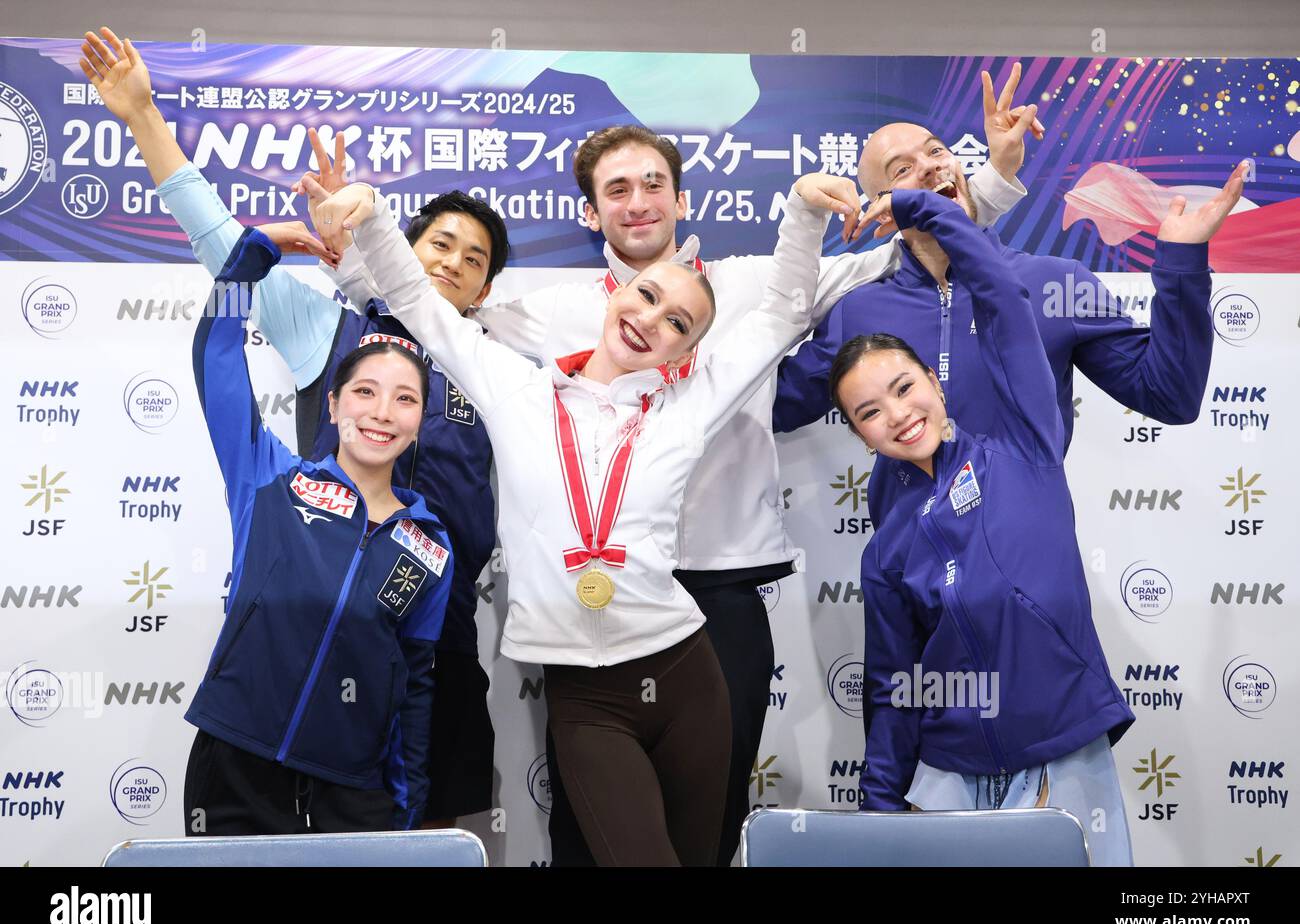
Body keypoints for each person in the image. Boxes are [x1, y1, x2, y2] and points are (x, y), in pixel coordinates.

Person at [315, 76, 1038, 862]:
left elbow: (887, 266)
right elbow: (430, 309)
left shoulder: (739, 311)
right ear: (591, 212)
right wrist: (362, 230)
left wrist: (983, 186)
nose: (638, 203)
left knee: (705, 834)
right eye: (616, 189)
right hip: (587, 631)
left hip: (714, 596)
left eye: (654, 184)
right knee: (587, 835)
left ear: (682, 201)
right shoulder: (537, 337)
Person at [303, 165, 845, 865]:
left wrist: (803, 214)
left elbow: (781, 317)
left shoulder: (688, 408)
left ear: (687, 353)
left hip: (685, 673)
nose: (651, 319)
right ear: (618, 291)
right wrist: (372, 214)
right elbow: (416, 298)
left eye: (677, 322)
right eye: (647, 295)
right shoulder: (515, 389)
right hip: (585, 693)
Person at [80, 26, 500, 829]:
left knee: (432, 839)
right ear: (401, 253)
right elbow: (220, 260)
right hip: (301, 645)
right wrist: (144, 121)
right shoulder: (329, 334)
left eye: (474, 258)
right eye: (437, 243)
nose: (451, 261)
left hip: (435, 644)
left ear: (483, 292)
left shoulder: (503, 371)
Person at [833, 177, 1237, 865]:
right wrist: (878, 813)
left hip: (1057, 753)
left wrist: (1177, 264)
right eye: (869, 412)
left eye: (904, 389)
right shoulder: (887, 553)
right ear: (856, 434)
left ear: (936, 381)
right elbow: (892, 687)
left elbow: (1006, 303)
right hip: (948, 774)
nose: (896, 414)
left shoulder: (1025, 444)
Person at [776, 79, 1244, 533]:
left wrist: (1181, 265)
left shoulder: (1057, 283)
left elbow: (1169, 396)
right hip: (910, 571)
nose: (931, 167)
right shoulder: (859, 311)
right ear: (883, 210)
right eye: (902, 169)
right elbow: (777, 407)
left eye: (937, 151)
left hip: (1030, 560)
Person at [183, 219, 455, 834]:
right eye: (364, 391)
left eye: (405, 399)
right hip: (237, 763)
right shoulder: (270, 478)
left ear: (419, 422)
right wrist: (255, 254)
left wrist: (407, 808)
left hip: (352, 788)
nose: (382, 412)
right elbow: (216, 356)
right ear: (332, 405)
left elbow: (413, 684)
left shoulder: (429, 543)